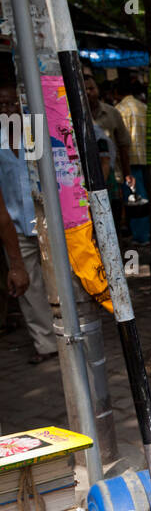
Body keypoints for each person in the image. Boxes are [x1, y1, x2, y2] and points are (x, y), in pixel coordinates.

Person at [0, 78, 58, 364]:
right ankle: (45, 343)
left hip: (46, 218)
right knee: (27, 283)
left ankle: (67, 332)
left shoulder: (34, 133)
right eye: (2, 105)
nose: (8, 110)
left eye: (12, 103)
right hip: (15, 225)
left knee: (57, 278)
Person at [83, 69, 134, 229]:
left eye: (91, 88)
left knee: (113, 220)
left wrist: (127, 173)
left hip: (113, 178)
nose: (88, 92)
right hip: (86, 181)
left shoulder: (112, 113)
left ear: (97, 90)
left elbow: (123, 145)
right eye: (84, 89)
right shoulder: (73, 115)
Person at [114, 72, 150, 244]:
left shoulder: (119, 110)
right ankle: (146, 233)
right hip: (147, 159)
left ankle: (141, 235)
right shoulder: (143, 107)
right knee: (145, 196)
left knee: (136, 199)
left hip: (130, 161)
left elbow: (122, 143)